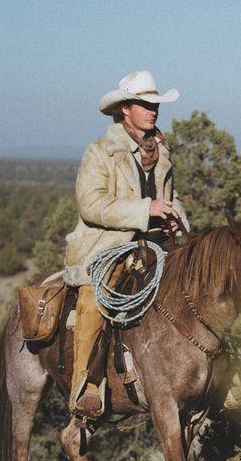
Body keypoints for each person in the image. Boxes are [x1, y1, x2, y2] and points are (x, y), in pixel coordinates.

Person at [63, 70, 190, 418]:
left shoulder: (161, 153)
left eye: (155, 104)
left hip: (157, 246)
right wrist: (144, 210)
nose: (153, 110)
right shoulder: (100, 152)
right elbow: (90, 204)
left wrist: (175, 215)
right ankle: (87, 386)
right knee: (93, 299)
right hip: (108, 246)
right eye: (144, 104)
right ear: (124, 110)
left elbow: (170, 198)